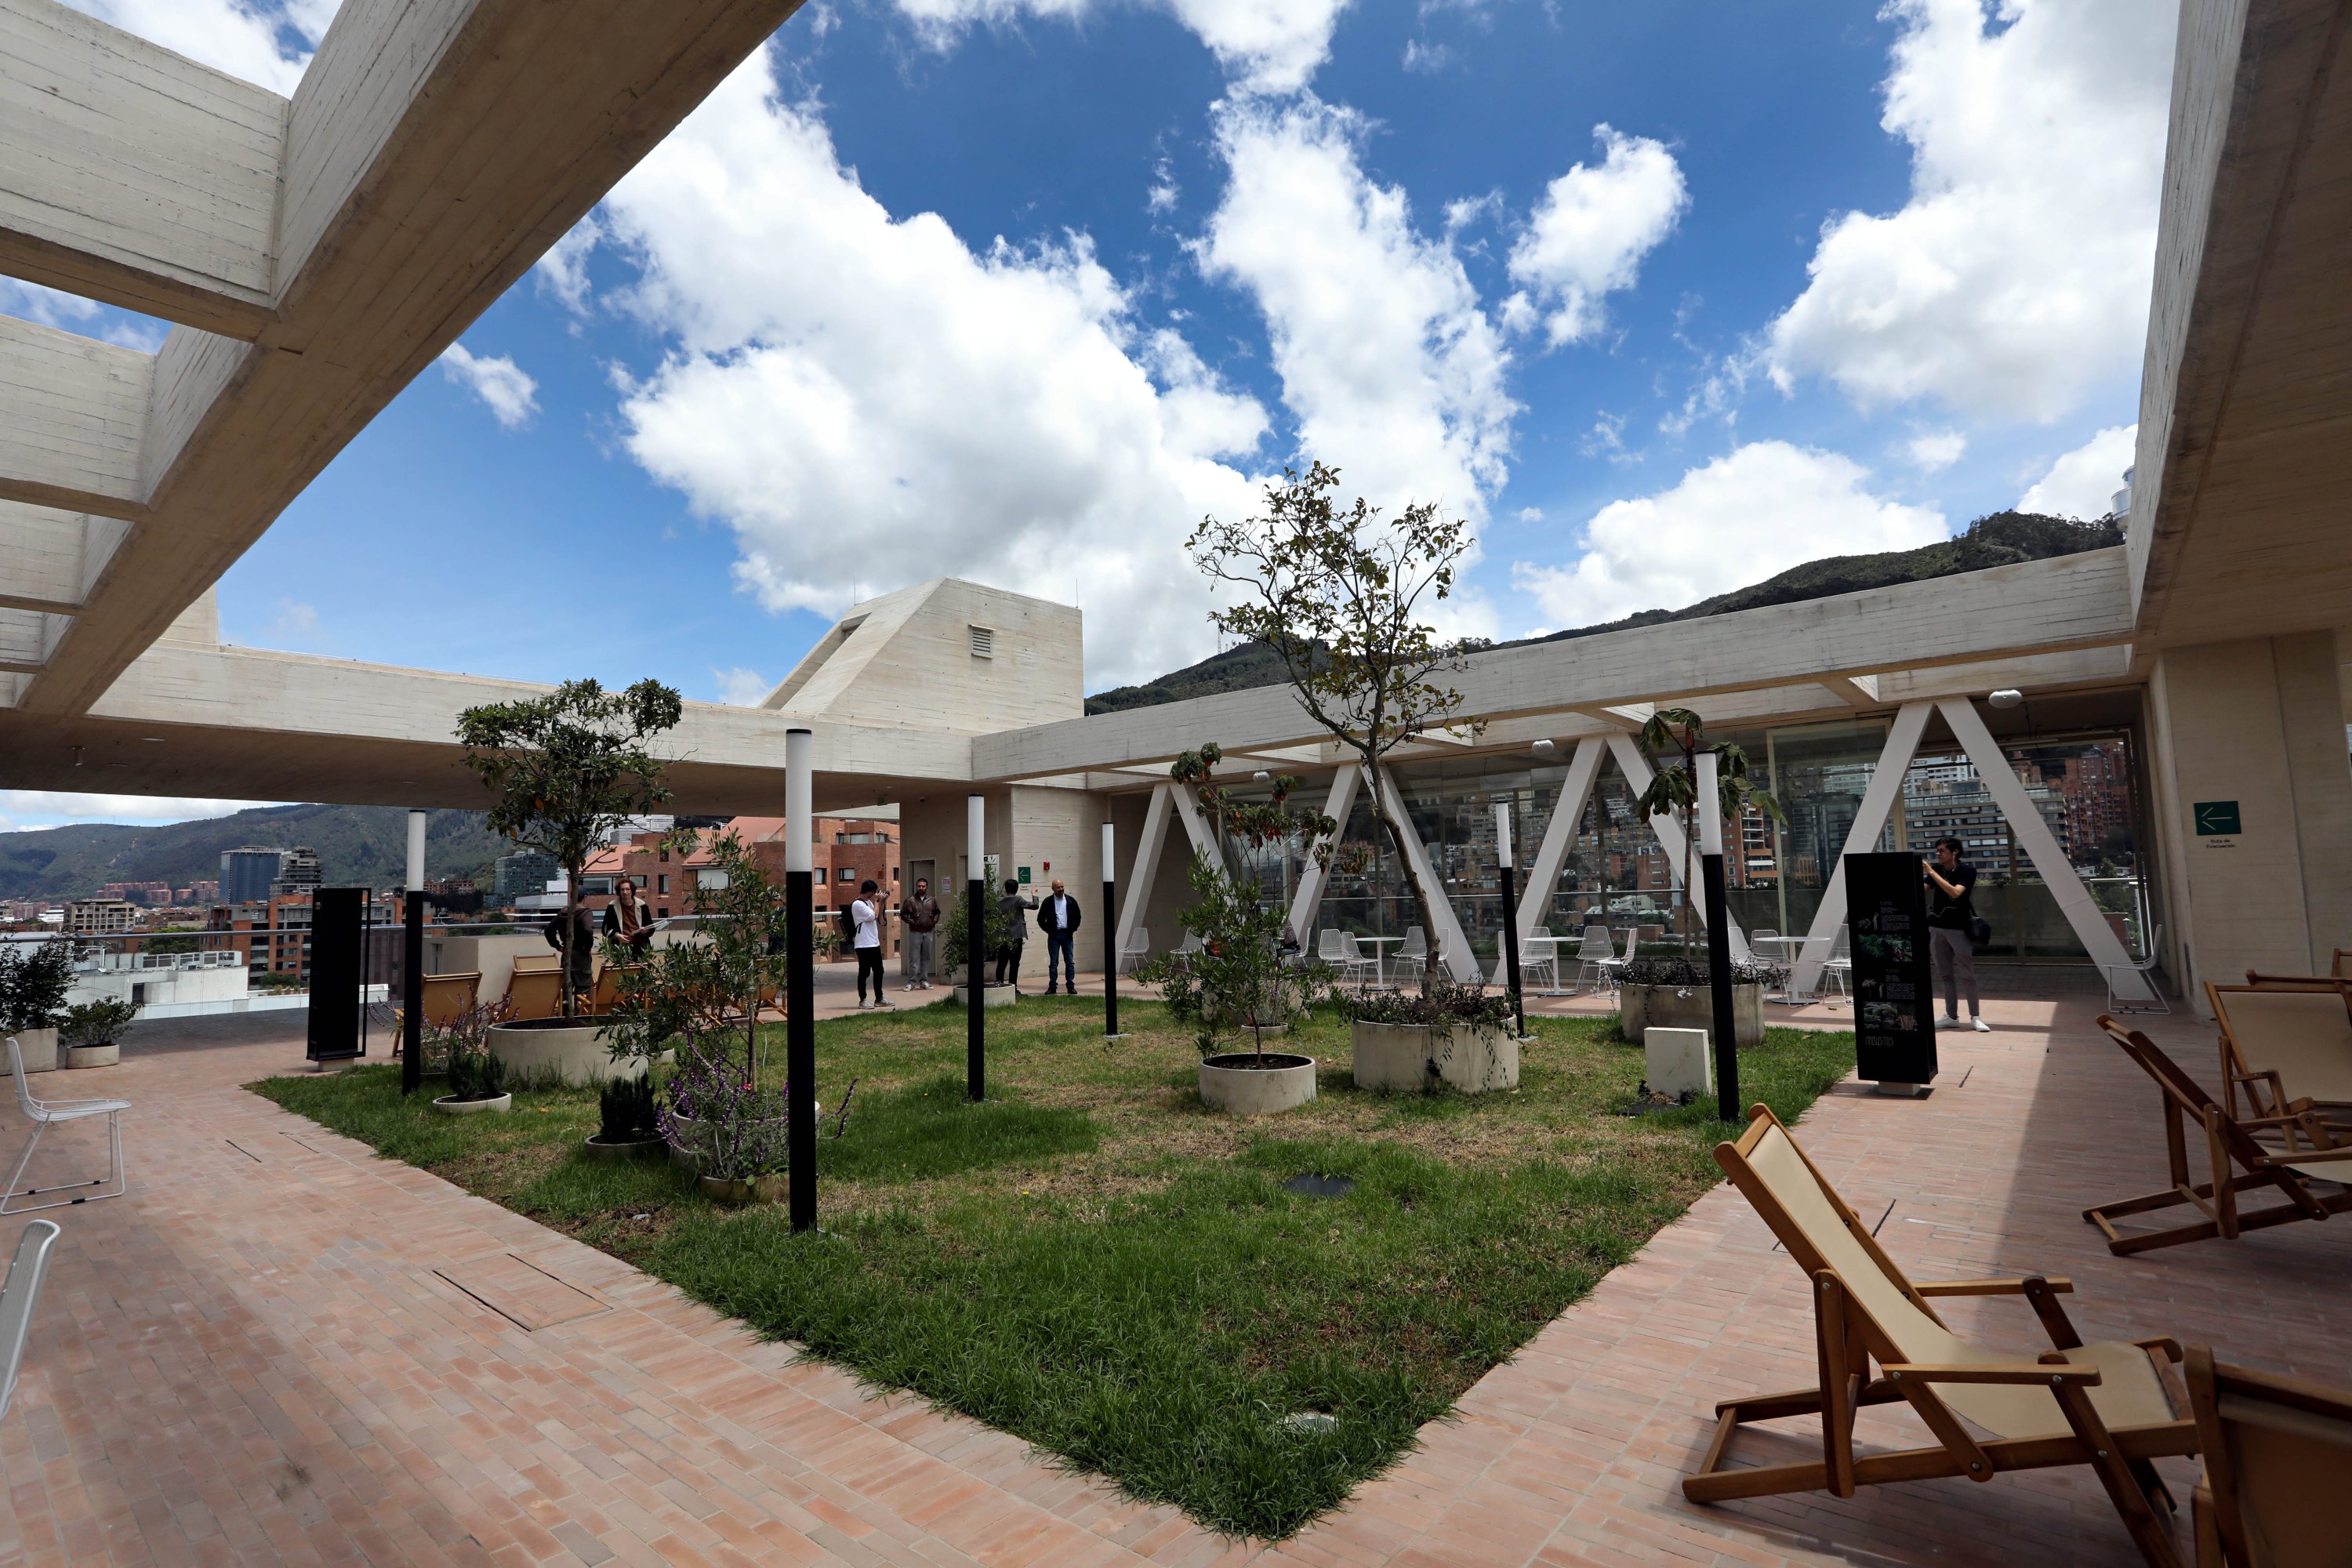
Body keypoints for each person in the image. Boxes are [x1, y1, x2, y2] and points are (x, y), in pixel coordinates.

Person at [1922, 837, 1989, 1032]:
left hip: (1959, 929)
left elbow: (1956, 893)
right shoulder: (1938, 870)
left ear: (1955, 852)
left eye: (1942, 850)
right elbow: (1923, 888)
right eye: (1937, 850)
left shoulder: (1967, 871)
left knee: (1968, 975)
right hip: (1937, 928)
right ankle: (1951, 1016)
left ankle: (1975, 1017)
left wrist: (1931, 872)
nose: (1938, 853)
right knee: (1945, 975)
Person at [543, 897, 595, 1011]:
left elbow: (548, 930)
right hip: (581, 954)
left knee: (566, 988)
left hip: (567, 953)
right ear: (585, 898)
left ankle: (565, 1014)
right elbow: (588, 930)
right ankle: (579, 1015)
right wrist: (588, 947)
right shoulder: (585, 913)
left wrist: (558, 946)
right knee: (583, 988)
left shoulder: (563, 913)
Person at [1035, 878, 1082, 995]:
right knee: (1054, 963)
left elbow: (1078, 916)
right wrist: (1049, 930)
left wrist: (1072, 929)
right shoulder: (1048, 902)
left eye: (1062, 886)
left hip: (1067, 935)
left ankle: (1070, 986)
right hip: (1054, 936)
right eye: (1058, 887)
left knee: (1069, 962)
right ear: (1053, 889)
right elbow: (1040, 919)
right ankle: (1052, 987)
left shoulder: (1070, 901)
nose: (1061, 889)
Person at [851, 878, 891, 1009]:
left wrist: (882, 902)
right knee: (864, 972)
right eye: (874, 892)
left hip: (874, 943)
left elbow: (878, 917)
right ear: (868, 892)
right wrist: (878, 901)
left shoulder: (869, 902)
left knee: (879, 971)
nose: (874, 895)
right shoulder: (858, 904)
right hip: (863, 944)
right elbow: (873, 916)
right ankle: (863, 1000)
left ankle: (879, 998)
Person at [996, 878, 1037, 991]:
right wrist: (1034, 894)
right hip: (1016, 936)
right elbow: (1034, 906)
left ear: (1005, 889)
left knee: (1002, 962)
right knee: (1014, 963)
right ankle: (1012, 987)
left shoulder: (998, 900)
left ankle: (998, 984)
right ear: (1017, 889)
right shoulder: (1018, 899)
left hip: (1003, 936)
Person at [902, 877, 941, 991]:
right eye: (919, 886)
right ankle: (911, 983)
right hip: (915, 932)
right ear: (916, 887)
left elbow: (937, 912)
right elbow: (903, 914)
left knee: (926, 958)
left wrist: (934, 922)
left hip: (928, 932)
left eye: (923, 886)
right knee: (914, 958)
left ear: (927, 887)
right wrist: (911, 921)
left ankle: (924, 981)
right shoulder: (910, 900)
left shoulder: (932, 900)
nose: (921, 888)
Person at [601, 877, 654, 955]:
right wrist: (616, 935)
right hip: (619, 947)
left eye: (627, 889)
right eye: (622, 890)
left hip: (640, 946)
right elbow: (605, 929)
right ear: (619, 892)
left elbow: (651, 928)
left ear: (632, 891)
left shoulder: (642, 906)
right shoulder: (612, 906)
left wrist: (645, 931)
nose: (625, 892)